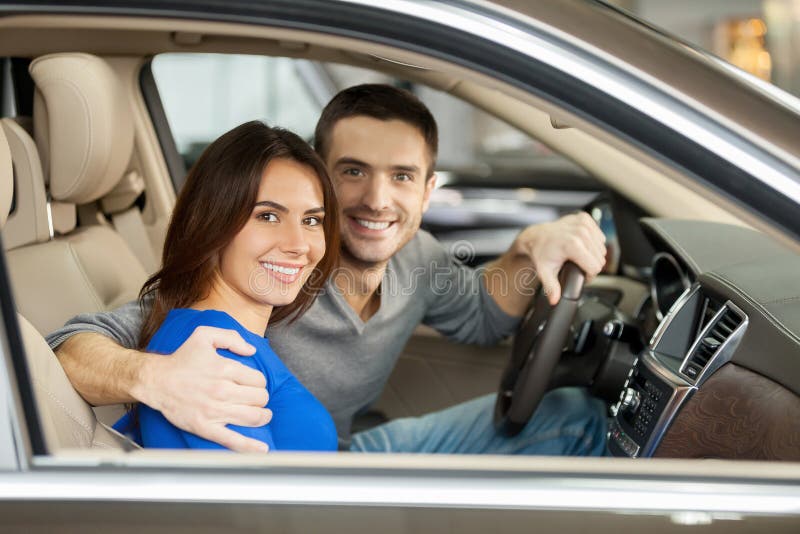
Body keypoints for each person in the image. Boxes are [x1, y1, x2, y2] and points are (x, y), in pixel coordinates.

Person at [47, 84, 608, 455]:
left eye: (403, 177)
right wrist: (153, 377)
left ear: (430, 189)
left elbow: (485, 314)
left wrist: (529, 249)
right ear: (320, 170)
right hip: (314, 468)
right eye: (354, 171)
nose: (377, 200)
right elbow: (75, 344)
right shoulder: (244, 290)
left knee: (574, 413)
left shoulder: (419, 261)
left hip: (334, 451)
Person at [130, 121, 340, 451]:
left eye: (311, 220)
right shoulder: (213, 353)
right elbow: (251, 503)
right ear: (213, 220)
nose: (298, 244)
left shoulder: (228, 338)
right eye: (268, 216)